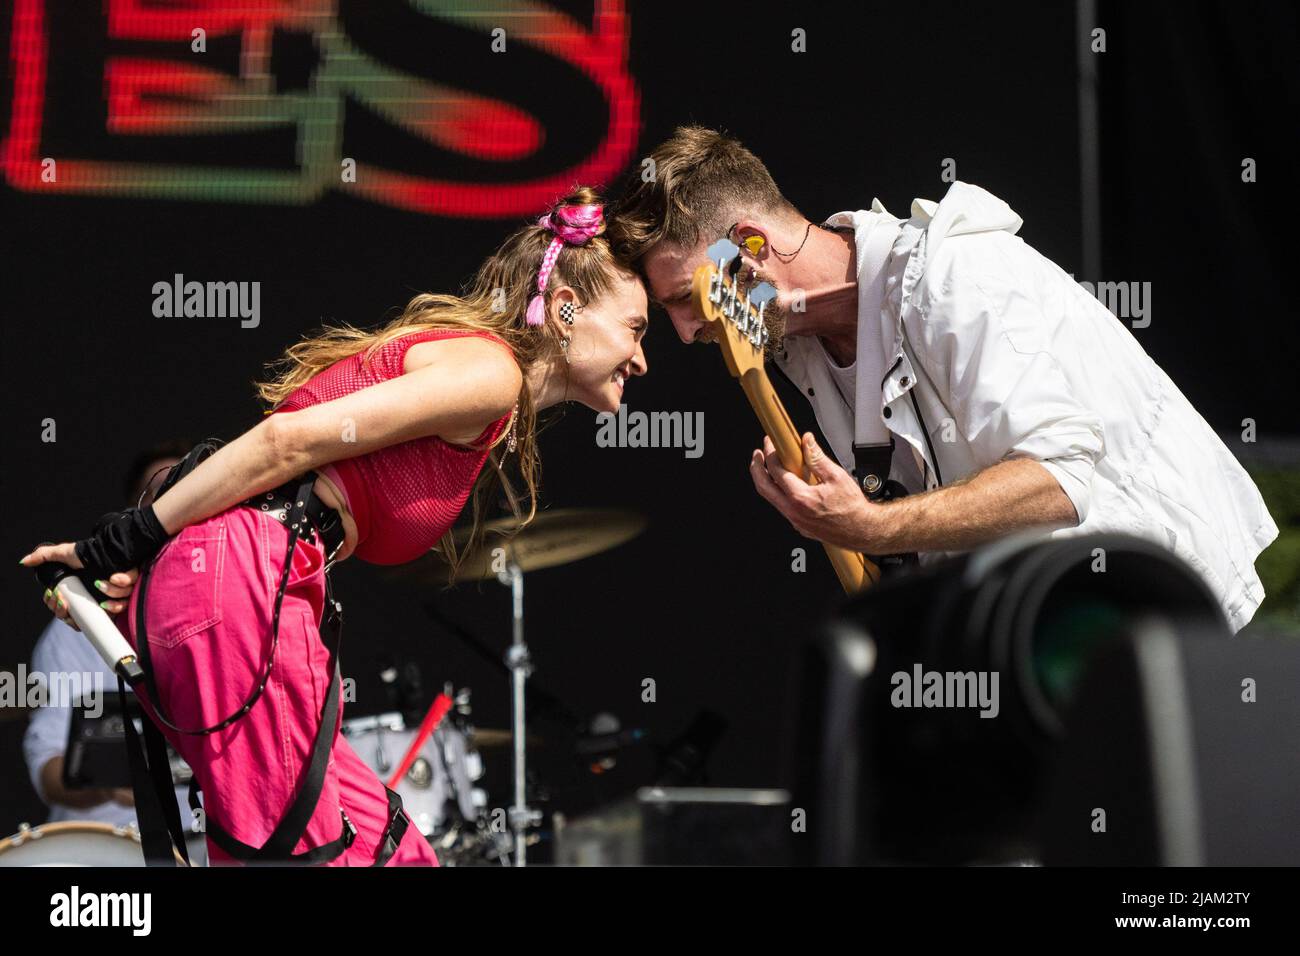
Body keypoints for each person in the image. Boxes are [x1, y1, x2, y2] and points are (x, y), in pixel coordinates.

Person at [20, 189, 649, 865]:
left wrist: (153, 555)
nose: (641, 360)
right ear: (564, 309)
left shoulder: (484, 381)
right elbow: (284, 443)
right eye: (637, 329)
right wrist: (126, 540)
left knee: (400, 856)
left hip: (244, 581)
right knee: (301, 857)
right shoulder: (490, 372)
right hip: (244, 586)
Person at [607, 127, 1276, 631]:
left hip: (1151, 614)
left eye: (686, 298)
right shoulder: (793, 347)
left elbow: (1061, 479)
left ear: (750, 244)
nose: (689, 331)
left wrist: (871, 527)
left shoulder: (955, 276)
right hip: (1041, 627)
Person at [23, 440, 190, 827]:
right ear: (132, 524)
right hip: (108, 845)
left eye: (188, 492)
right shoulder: (79, 626)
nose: (177, 505)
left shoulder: (235, 614)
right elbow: (47, 765)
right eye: (159, 497)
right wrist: (105, 785)